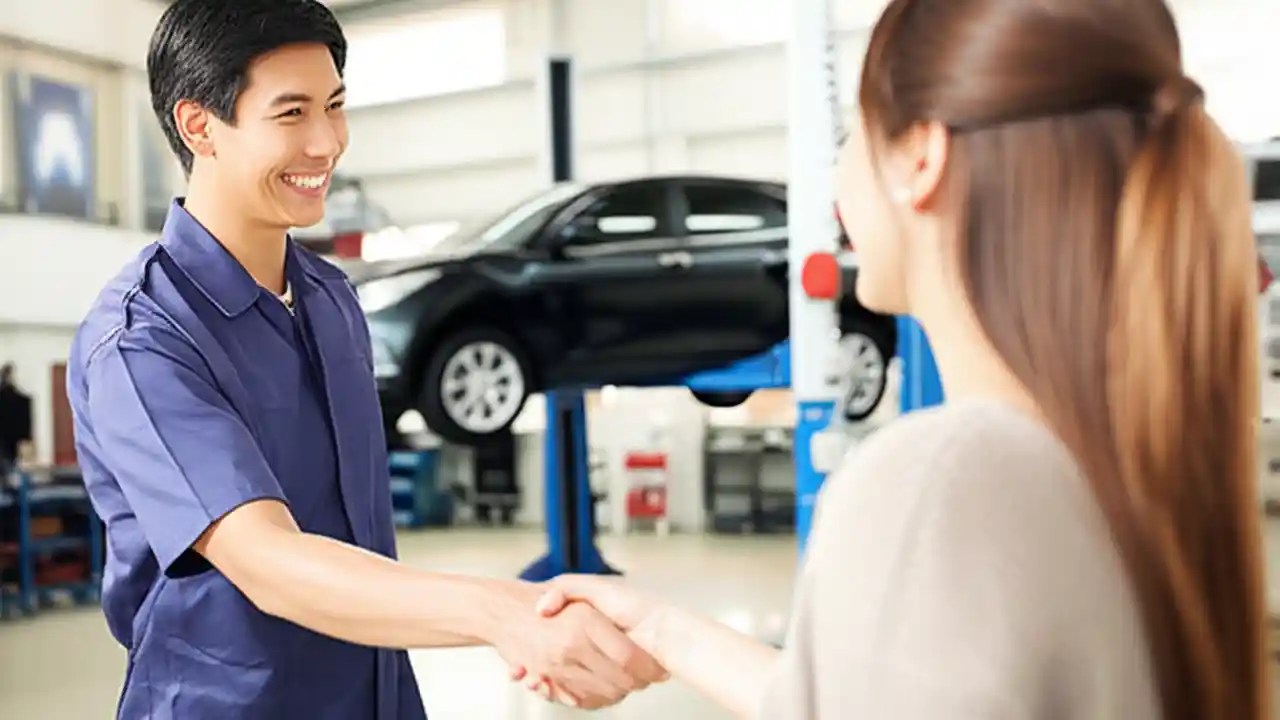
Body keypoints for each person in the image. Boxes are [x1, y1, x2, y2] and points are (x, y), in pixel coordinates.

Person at [525, 0, 1271, 718]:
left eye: (858, 129)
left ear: (922, 156)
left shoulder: (944, 477)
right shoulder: (1123, 457)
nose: (839, 168)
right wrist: (666, 631)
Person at [66, 1, 663, 718]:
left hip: (375, 695)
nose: (326, 143)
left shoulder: (330, 298)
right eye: (291, 115)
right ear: (201, 126)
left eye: (336, 106)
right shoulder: (141, 341)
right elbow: (272, 564)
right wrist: (504, 614)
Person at [0, 363, 32, 472]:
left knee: (9, 461)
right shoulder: (14, 397)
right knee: (9, 461)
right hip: (10, 436)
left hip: (9, 436)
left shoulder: (15, 396)